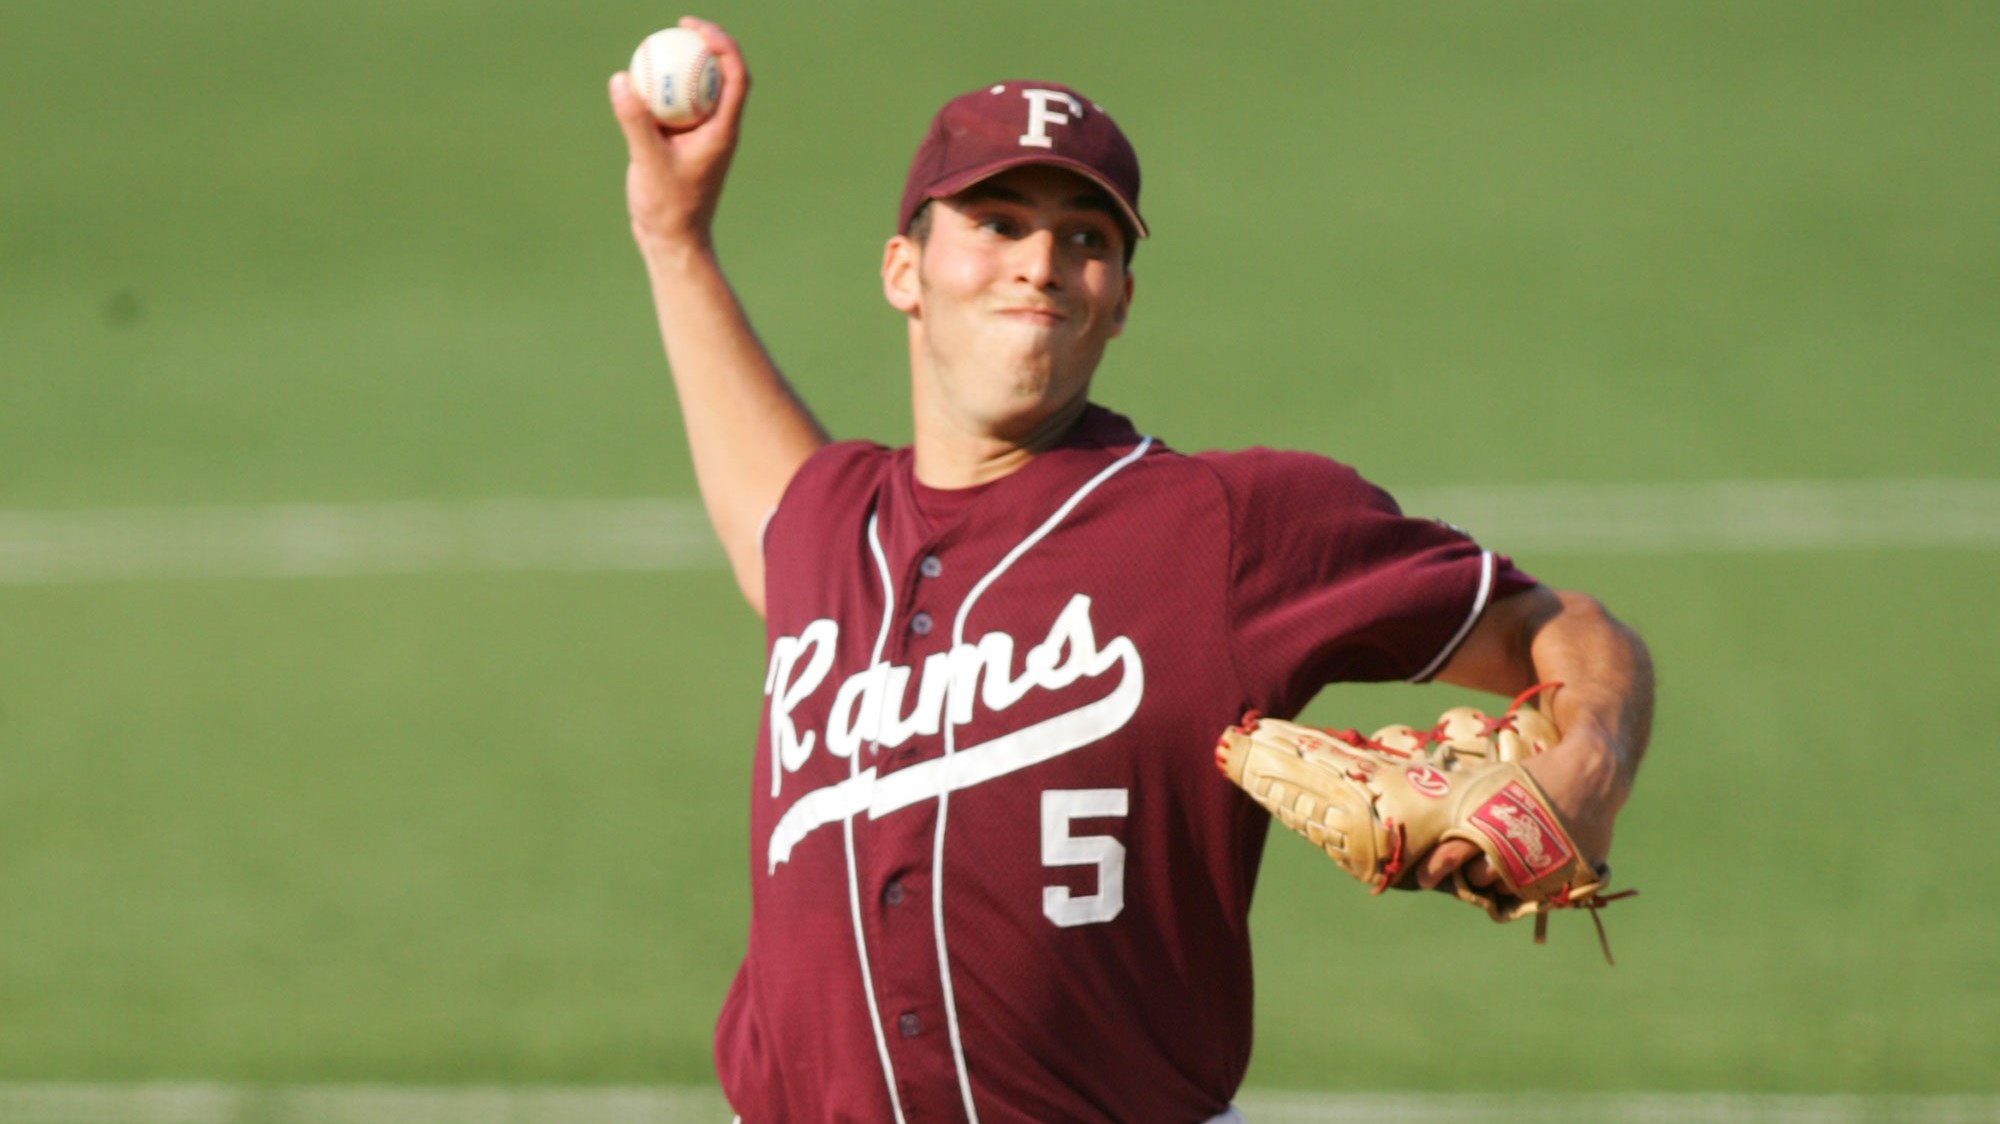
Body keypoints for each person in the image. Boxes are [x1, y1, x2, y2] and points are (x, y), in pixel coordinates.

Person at [609, 19, 1654, 1124]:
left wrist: (1593, 758)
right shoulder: (827, 523)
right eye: (997, 222)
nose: (1040, 262)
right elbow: (763, 515)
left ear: (1120, 299)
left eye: (1085, 237)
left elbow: (1553, 622)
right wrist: (673, 238)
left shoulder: (1221, 526)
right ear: (903, 272)